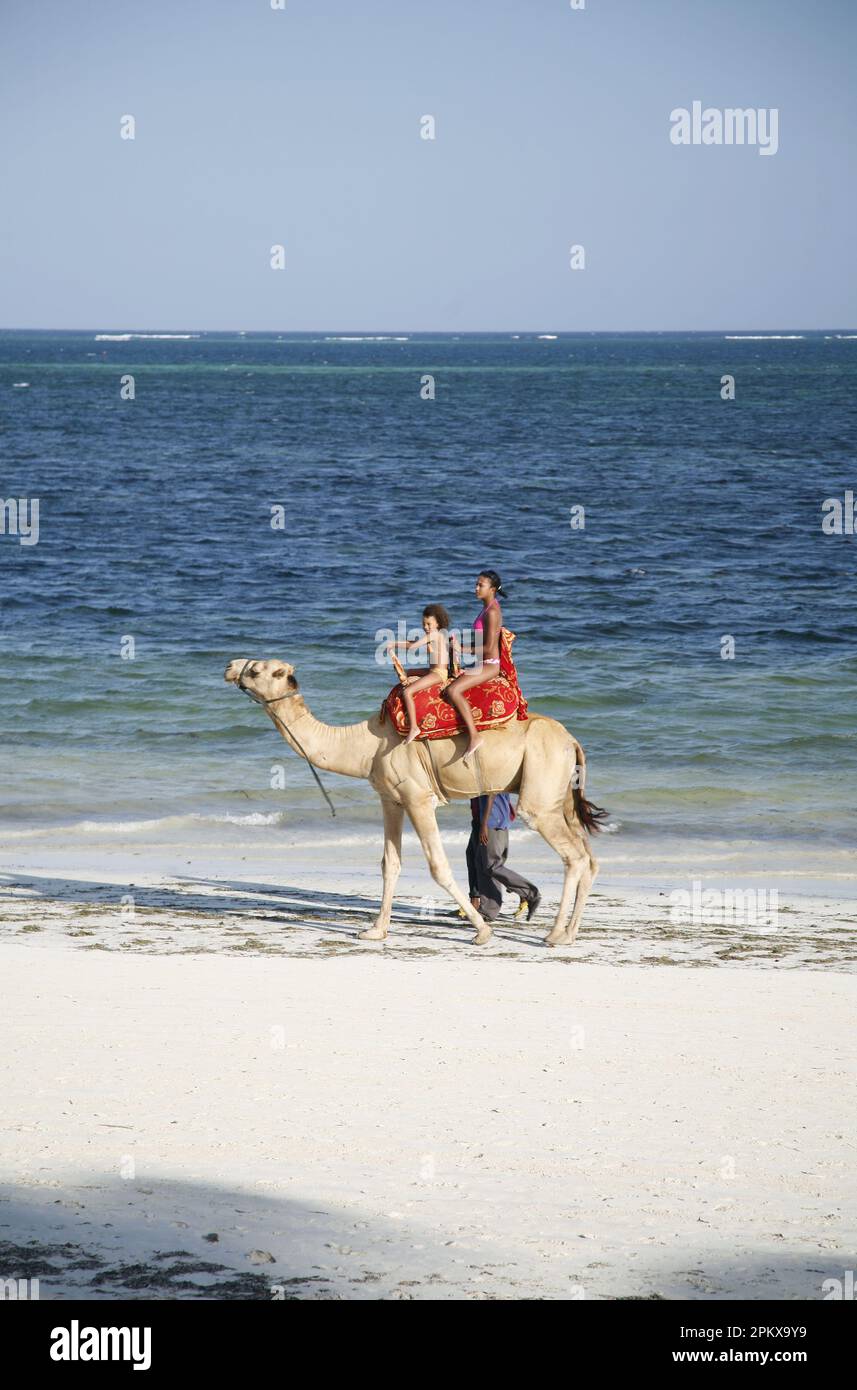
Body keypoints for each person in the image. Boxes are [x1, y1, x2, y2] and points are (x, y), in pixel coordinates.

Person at [445, 569, 505, 760]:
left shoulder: (492, 612)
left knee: (453, 691)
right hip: (482, 662)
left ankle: (474, 736)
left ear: (492, 589)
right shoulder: (486, 609)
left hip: (490, 664)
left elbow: (488, 647)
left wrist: (460, 649)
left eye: (481, 585)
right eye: (476, 584)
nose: (476, 588)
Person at [387, 604, 455, 745]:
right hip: (433, 670)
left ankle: (414, 728)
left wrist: (394, 643)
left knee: (407, 692)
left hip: (439, 674)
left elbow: (413, 646)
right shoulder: (435, 635)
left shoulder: (435, 634)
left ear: (437, 623)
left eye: (429, 624)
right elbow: (414, 642)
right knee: (410, 672)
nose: (426, 627)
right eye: (423, 624)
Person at [474, 792, 541, 923]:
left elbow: (491, 794)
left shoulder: (490, 771)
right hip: (499, 821)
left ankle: (531, 894)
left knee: (492, 866)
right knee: (482, 864)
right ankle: (488, 911)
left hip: (493, 823)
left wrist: (484, 825)